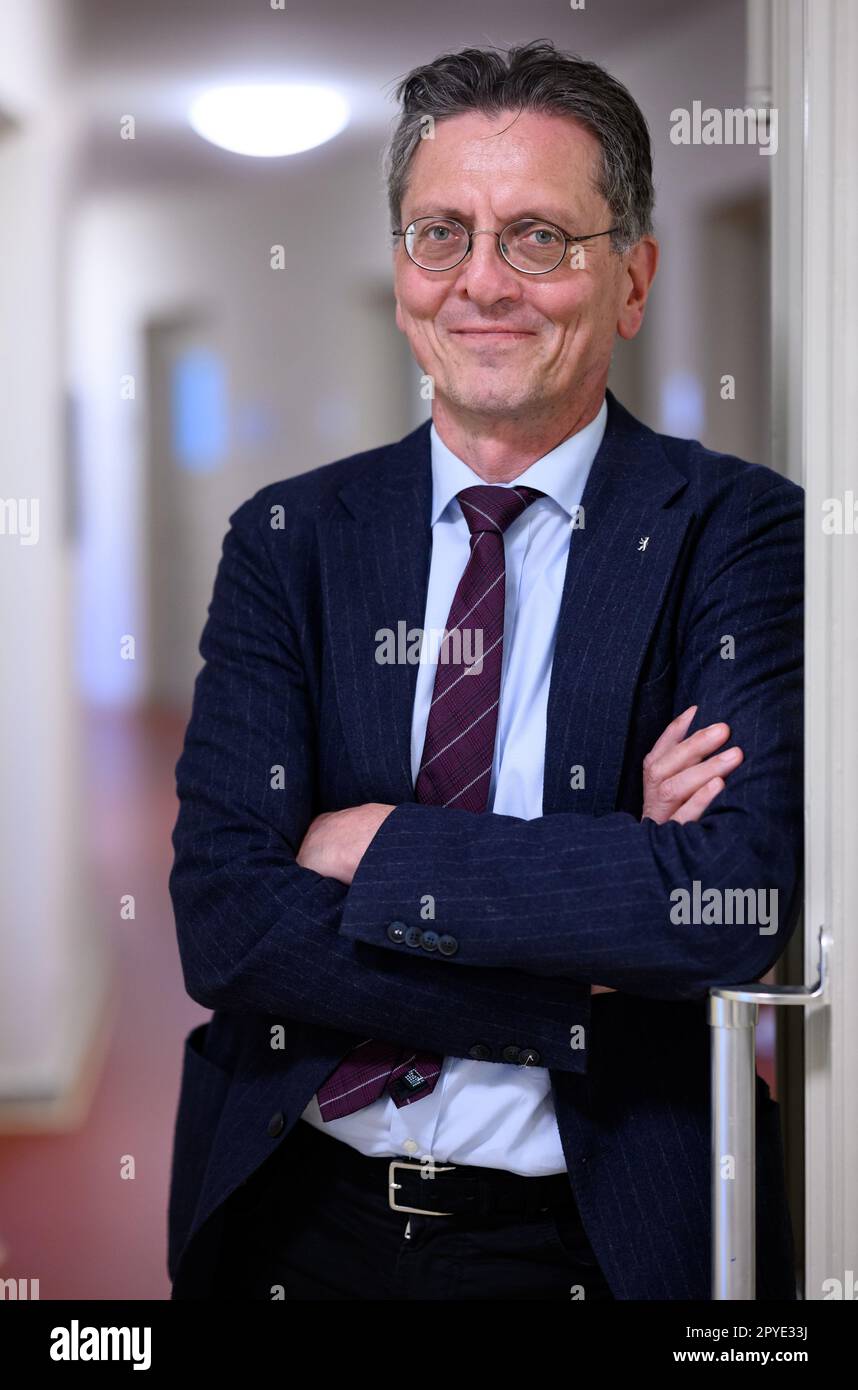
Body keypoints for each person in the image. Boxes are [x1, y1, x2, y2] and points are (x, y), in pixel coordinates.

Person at [167, 40, 802, 1300]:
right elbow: (227, 923)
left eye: (540, 239)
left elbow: (732, 896)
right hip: (296, 1205)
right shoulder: (290, 540)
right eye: (440, 233)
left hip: (596, 1232)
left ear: (633, 279)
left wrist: (379, 850)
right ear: (401, 271)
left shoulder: (735, 530)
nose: (483, 286)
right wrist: (584, 968)